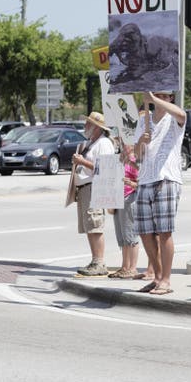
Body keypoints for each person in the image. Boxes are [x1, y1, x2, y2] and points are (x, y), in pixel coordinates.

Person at [133, 90, 186, 295]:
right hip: (145, 178)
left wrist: (153, 100)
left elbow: (183, 116)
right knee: (145, 232)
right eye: (158, 95)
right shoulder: (144, 120)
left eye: (165, 96)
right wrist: (141, 142)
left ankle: (166, 279)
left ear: (170, 98)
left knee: (164, 232)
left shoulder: (173, 119)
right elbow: (136, 154)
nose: (161, 99)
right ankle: (156, 275)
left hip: (167, 178)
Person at [72, 112, 116, 276]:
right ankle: (95, 260)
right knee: (90, 226)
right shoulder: (93, 142)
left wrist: (81, 162)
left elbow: (106, 168)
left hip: (95, 187)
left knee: (95, 224)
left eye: (88, 124)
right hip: (87, 187)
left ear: (96, 127)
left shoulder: (103, 143)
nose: (85, 126)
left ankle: (99, 262)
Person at [108, 139, 146, 279]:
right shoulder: (118, 159)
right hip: (118, 198)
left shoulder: (133, 160)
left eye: (126, 143)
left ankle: (133, 267)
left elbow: (142, 181)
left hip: (129, 198)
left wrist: (131, 183)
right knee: (122, 235)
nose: (124, 145)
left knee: (130, 234)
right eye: (122, 142)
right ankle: (125, 266)